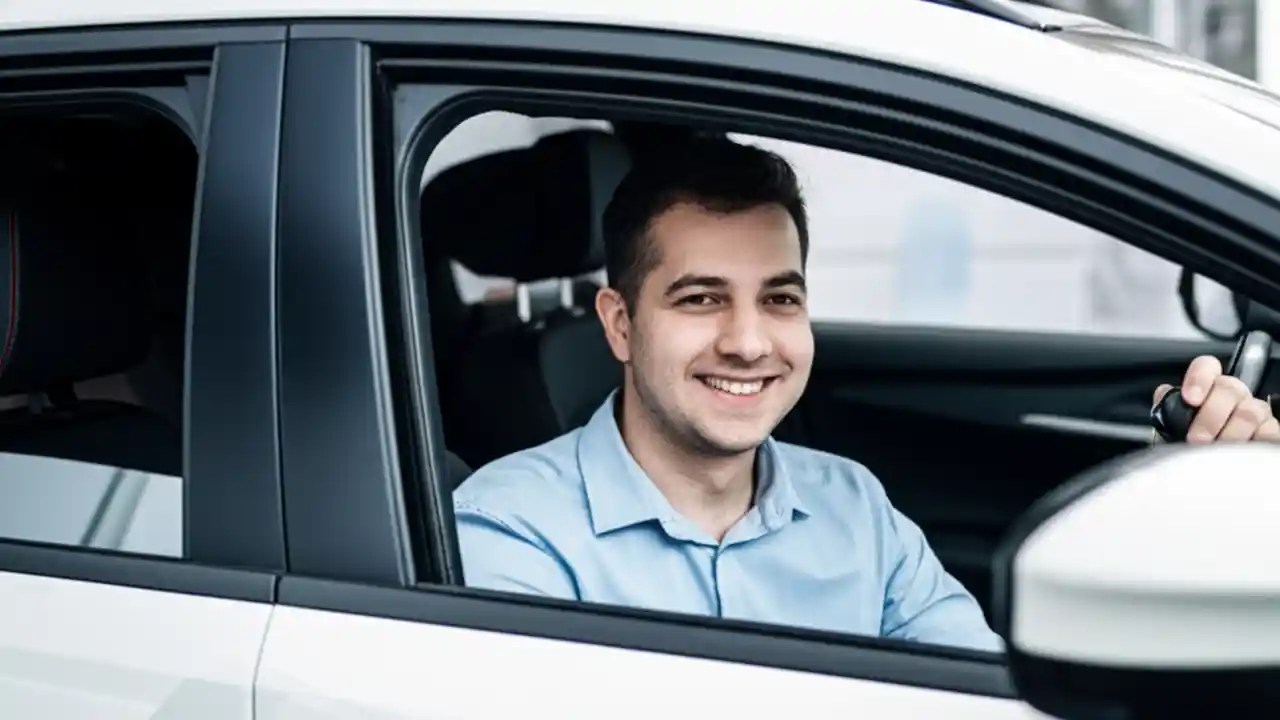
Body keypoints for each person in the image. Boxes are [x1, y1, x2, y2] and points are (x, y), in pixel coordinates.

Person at [452, 136, 1280, 652]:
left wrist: (1181, 507)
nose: (749, 341)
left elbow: (987, 695)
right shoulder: (512, 536)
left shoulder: (853, 508)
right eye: (701, 298)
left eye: (780, 297)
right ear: (621, 324)